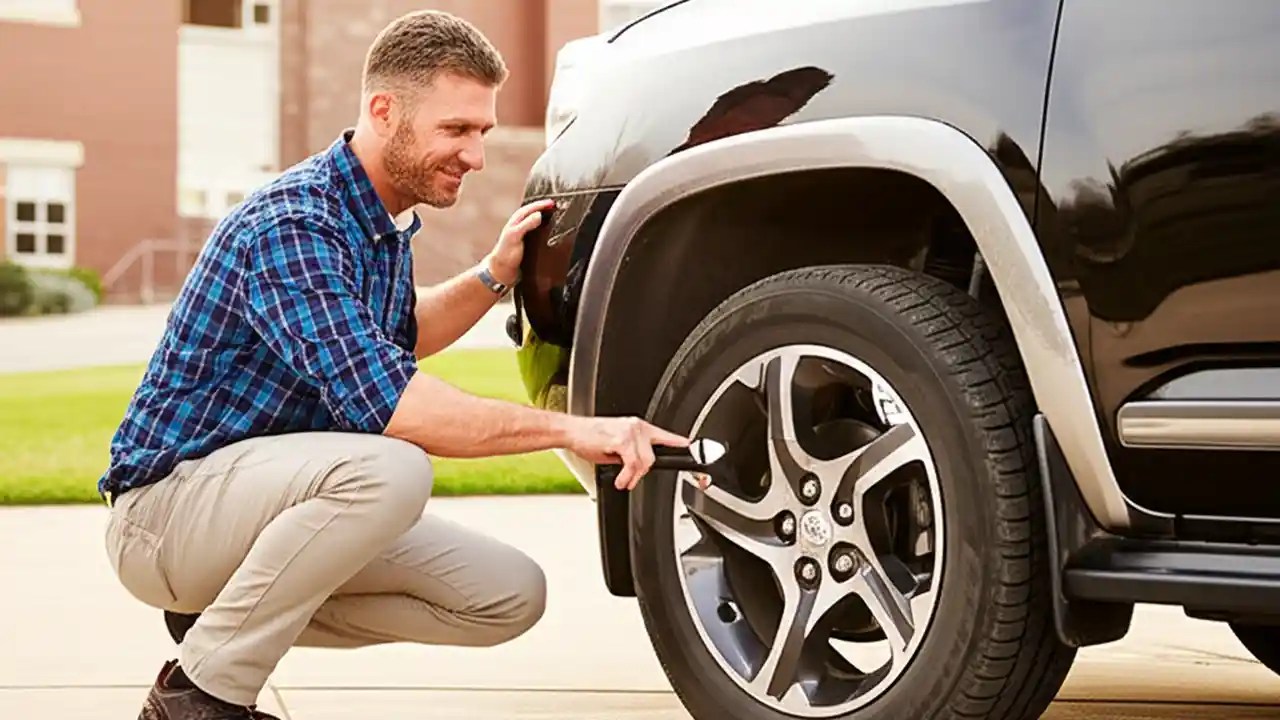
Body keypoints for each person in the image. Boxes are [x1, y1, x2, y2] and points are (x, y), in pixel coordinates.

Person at [100, 10, 689, 720]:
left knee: (505, 595)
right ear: (385, 111)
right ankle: (202, 696)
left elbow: (399, 334)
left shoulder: (377, 225)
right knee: (392, 466)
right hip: (166, 516)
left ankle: (222, 627)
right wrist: (576, 430)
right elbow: (396, 406)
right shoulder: (294, 225)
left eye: (482, 132)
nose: (475, 155)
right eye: (457, 130)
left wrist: (493, 275)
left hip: (258, 514)